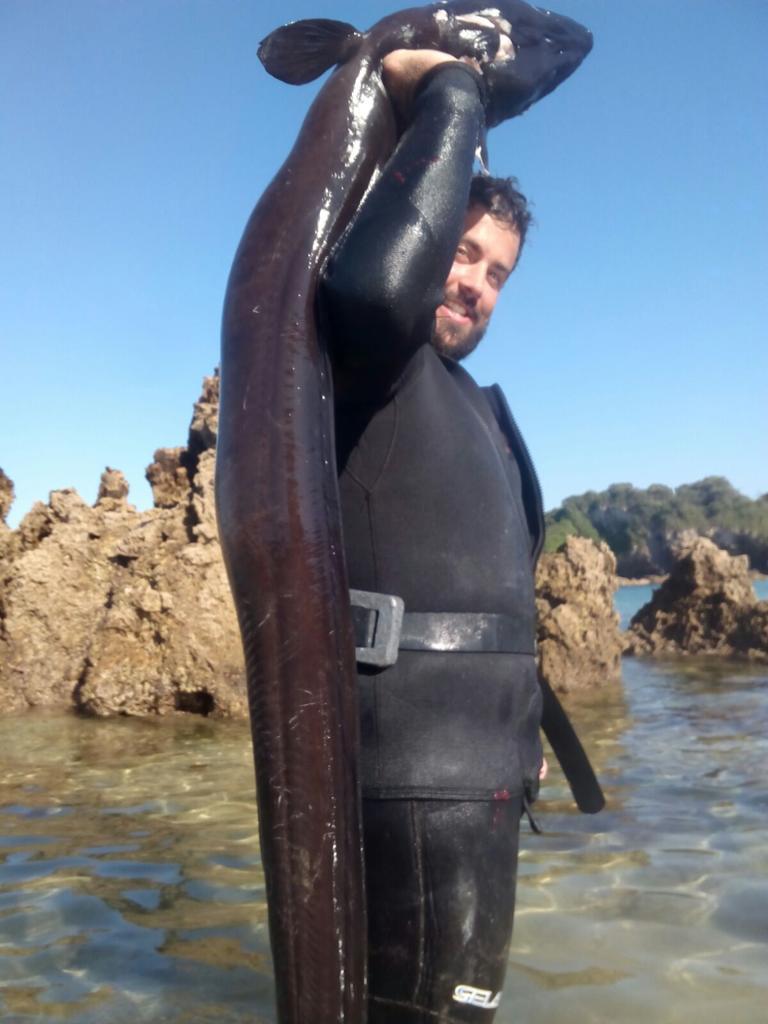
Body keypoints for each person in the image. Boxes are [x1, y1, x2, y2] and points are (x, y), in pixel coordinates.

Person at [320, 47, 592, 1024]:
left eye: (498, 274)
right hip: (404, 784)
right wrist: (456, 91)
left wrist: (523, 729)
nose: (475, 284)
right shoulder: (372, 360)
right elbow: (370, 282)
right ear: (425, 232)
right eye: (463, 251)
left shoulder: (479, 410)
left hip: (485, 791)